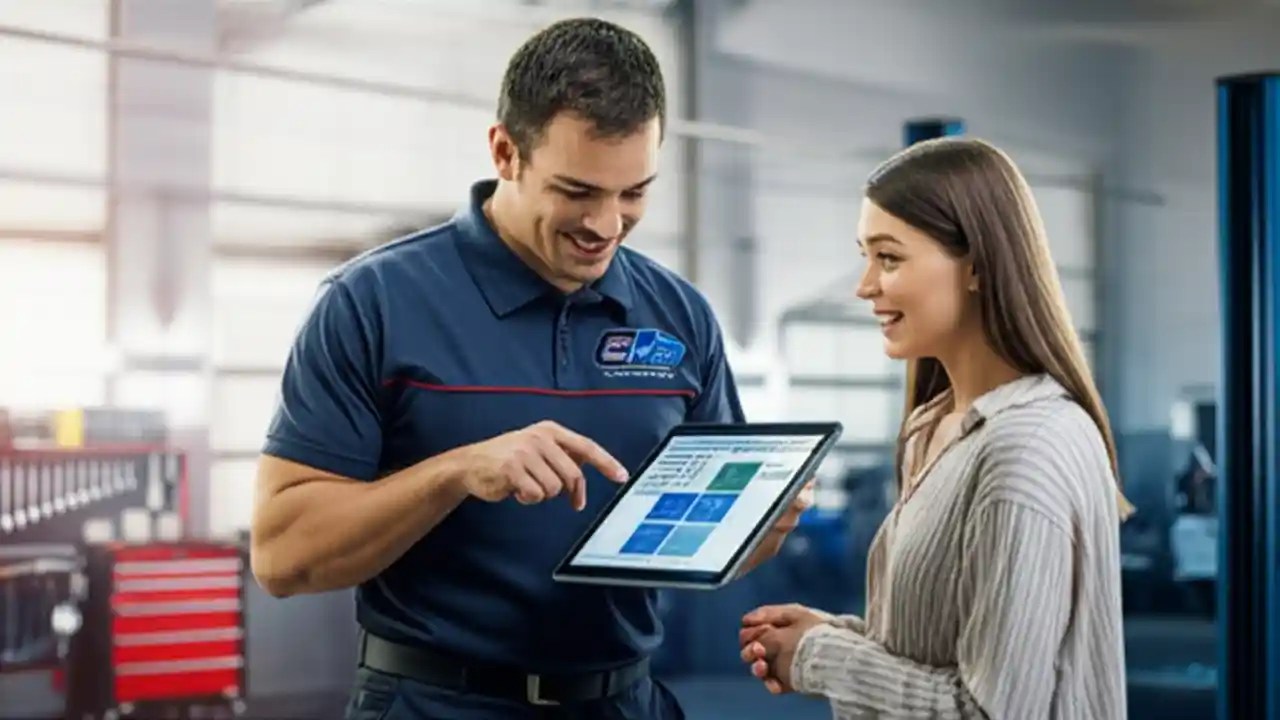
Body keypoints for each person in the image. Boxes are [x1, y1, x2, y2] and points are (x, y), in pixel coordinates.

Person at [249, 17, 809, 720]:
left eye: (634, 192)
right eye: (577, 191)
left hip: (625, 702)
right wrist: (455, 473)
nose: (606, 225)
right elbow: (281, 556)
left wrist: (761, 530)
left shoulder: (679, 315)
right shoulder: (372, 303)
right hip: (438, 706)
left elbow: (708, 551)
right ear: (506, 152)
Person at [738, 137, 1134, 719]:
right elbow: (946, 649)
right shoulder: (935, 426)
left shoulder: (1025, 448)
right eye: (865, 256)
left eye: (889, 258)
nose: (864, 285)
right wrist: (842, 637)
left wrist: (821, 657)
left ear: (975, 266)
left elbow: (988, 711)